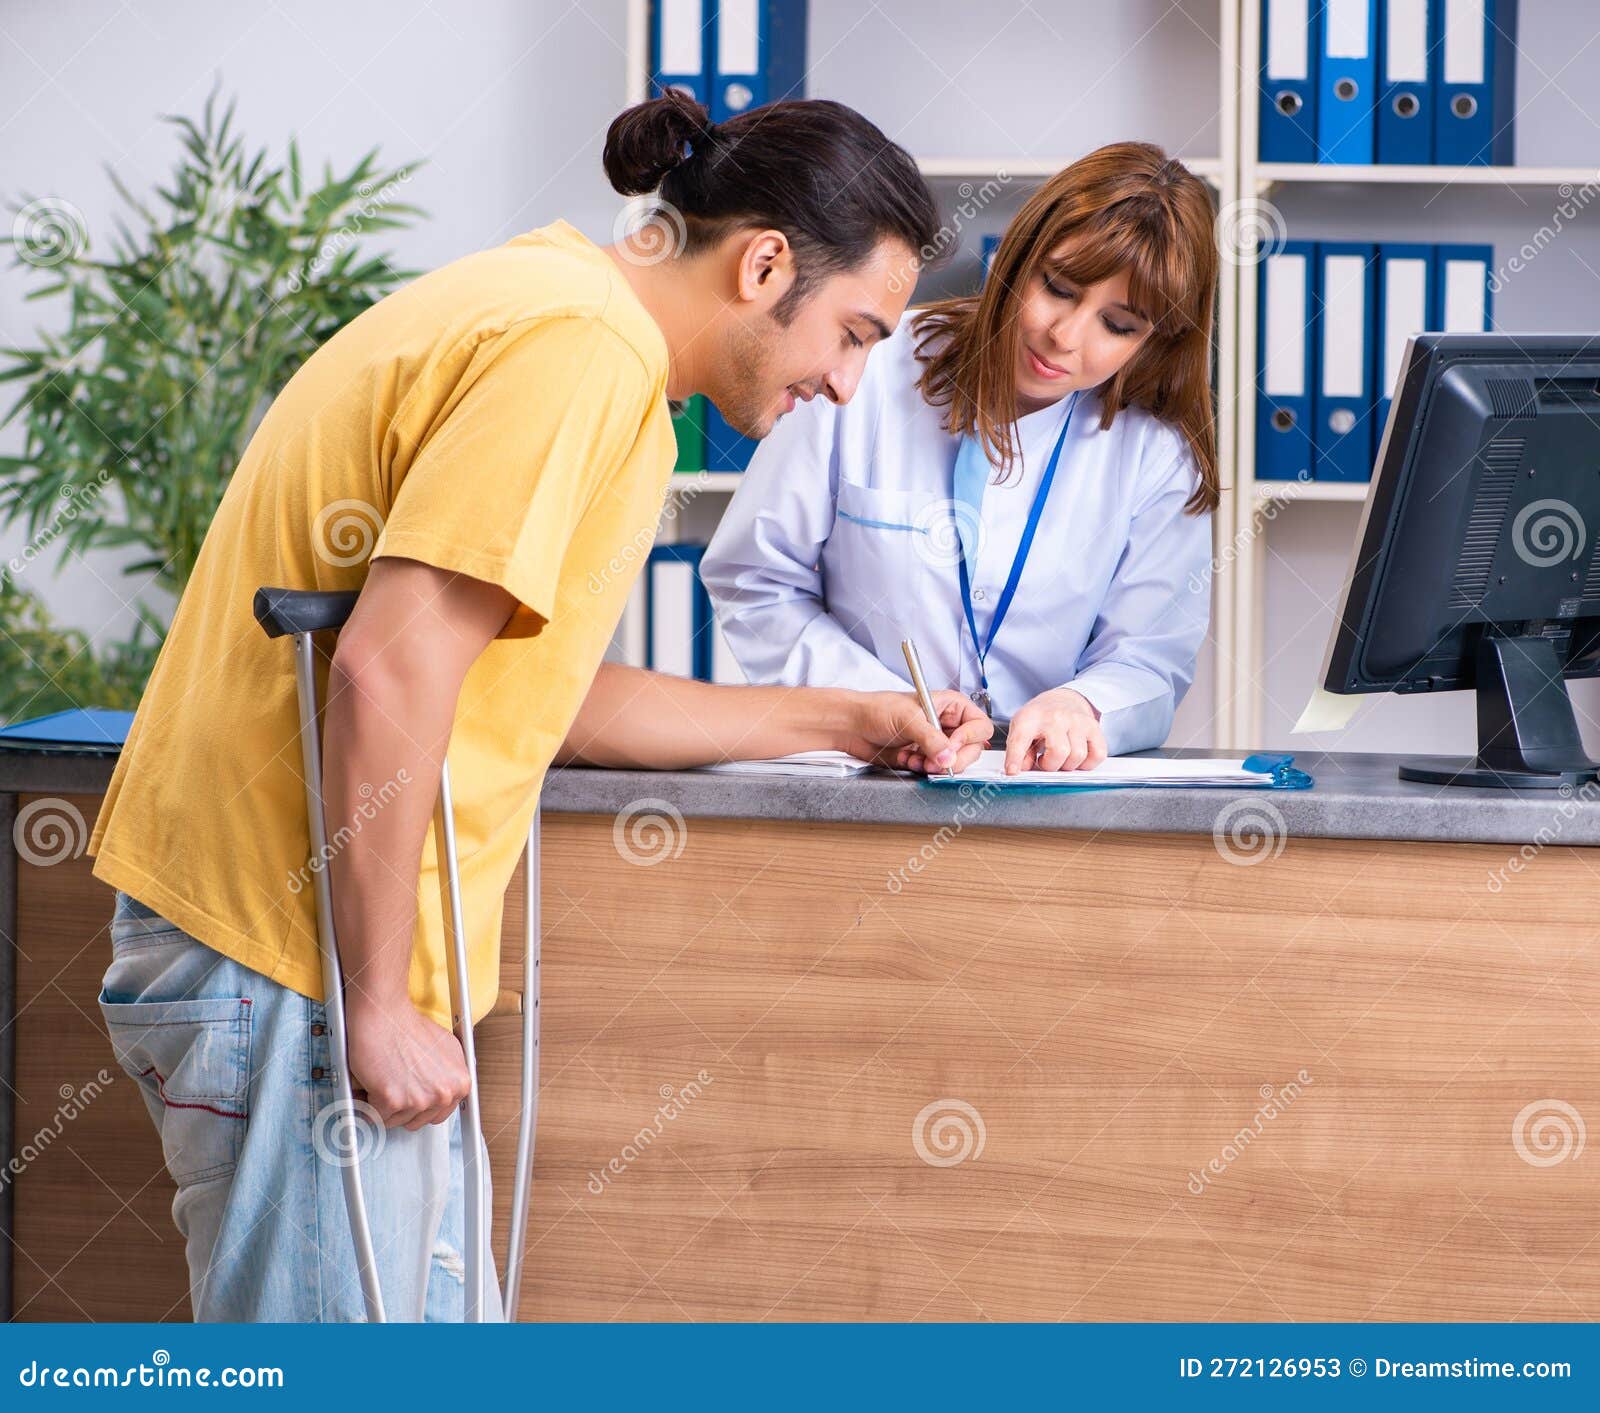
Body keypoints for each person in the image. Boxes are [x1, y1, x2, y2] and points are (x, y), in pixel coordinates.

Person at [88, 91, 989, 1323]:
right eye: (851, 334)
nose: (845, 383)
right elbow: (389, 668)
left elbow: (533, 692)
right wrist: (373, 1001)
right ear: (765, 262)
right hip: (289, 956)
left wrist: (844, 719)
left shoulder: (560, 317)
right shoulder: (574, 356)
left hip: (299, 954)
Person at [701, 142, 1220, 775]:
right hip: (860, 770)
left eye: (1118, 325)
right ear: (1016, 258)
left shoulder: (1154, 454)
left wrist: (1081, 705)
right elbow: (756, 579)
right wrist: (875, 704)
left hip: (1037, 787)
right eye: (1058, 288)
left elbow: (1149, 658)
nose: (1066, 337)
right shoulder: (859, 367)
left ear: (1154, 340)